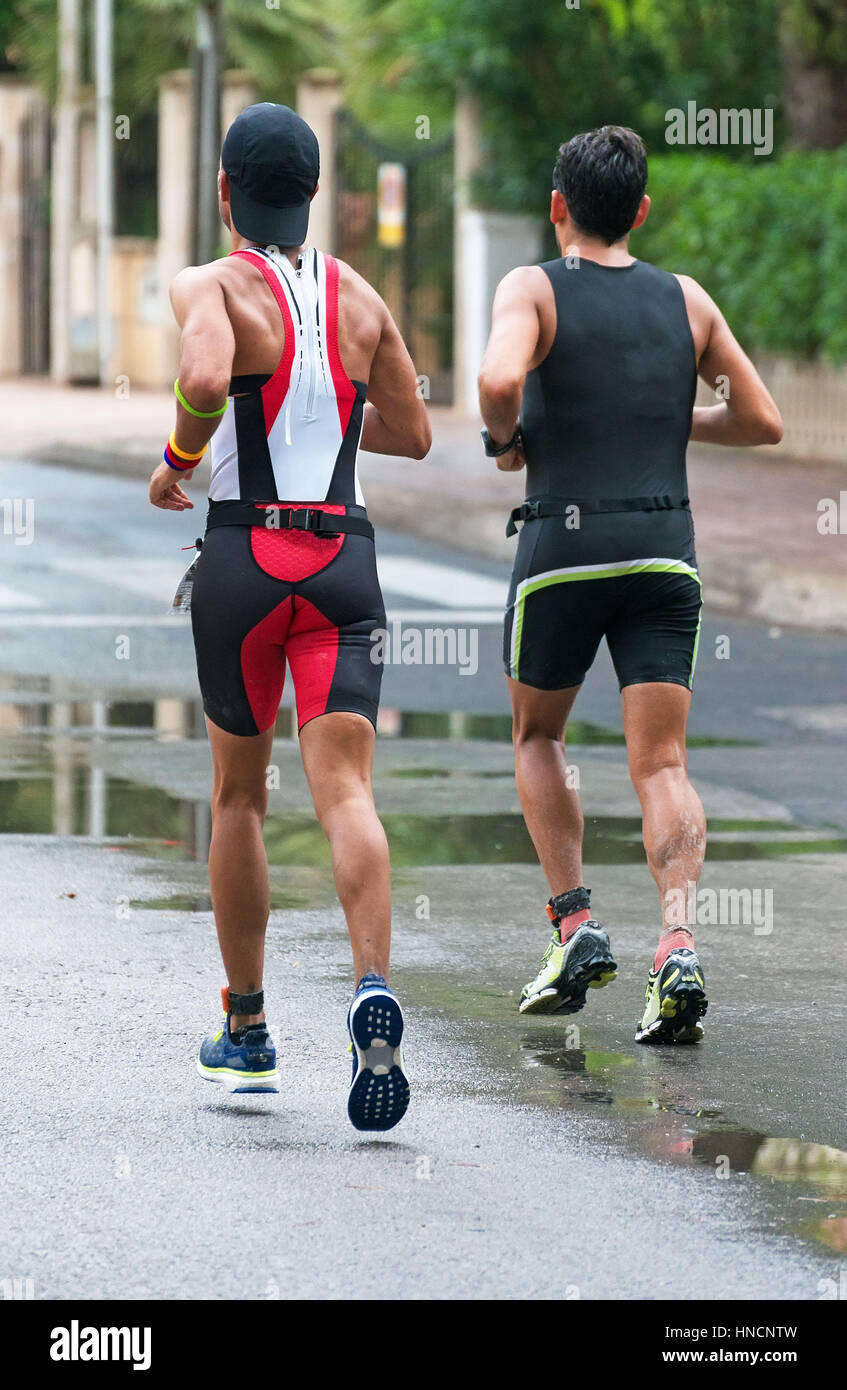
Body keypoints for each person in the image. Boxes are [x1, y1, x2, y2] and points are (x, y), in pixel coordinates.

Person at [148, 103, 430, 1126]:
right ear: (312, 194)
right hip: (344, 556)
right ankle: (369, 983)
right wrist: (329, 404)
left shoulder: (211, 284)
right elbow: (412, 430)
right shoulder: (360, 298)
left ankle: (250, 1028)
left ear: (225, 191)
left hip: (244, 559)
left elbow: (204, 376)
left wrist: (178, 462)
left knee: (239, 798)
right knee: (347, 789)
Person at [478, 125, 782, 1043]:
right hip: (662, 552)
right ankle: (678, 945)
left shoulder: (531, 286)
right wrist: (657, 419)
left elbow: (497, 379)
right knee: (663, 764)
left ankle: (573, 924)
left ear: (558, 206)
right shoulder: (685, 300)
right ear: (640, 211)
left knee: (538, 734)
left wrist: (504, 444)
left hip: (563, 548)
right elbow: (761, 419)